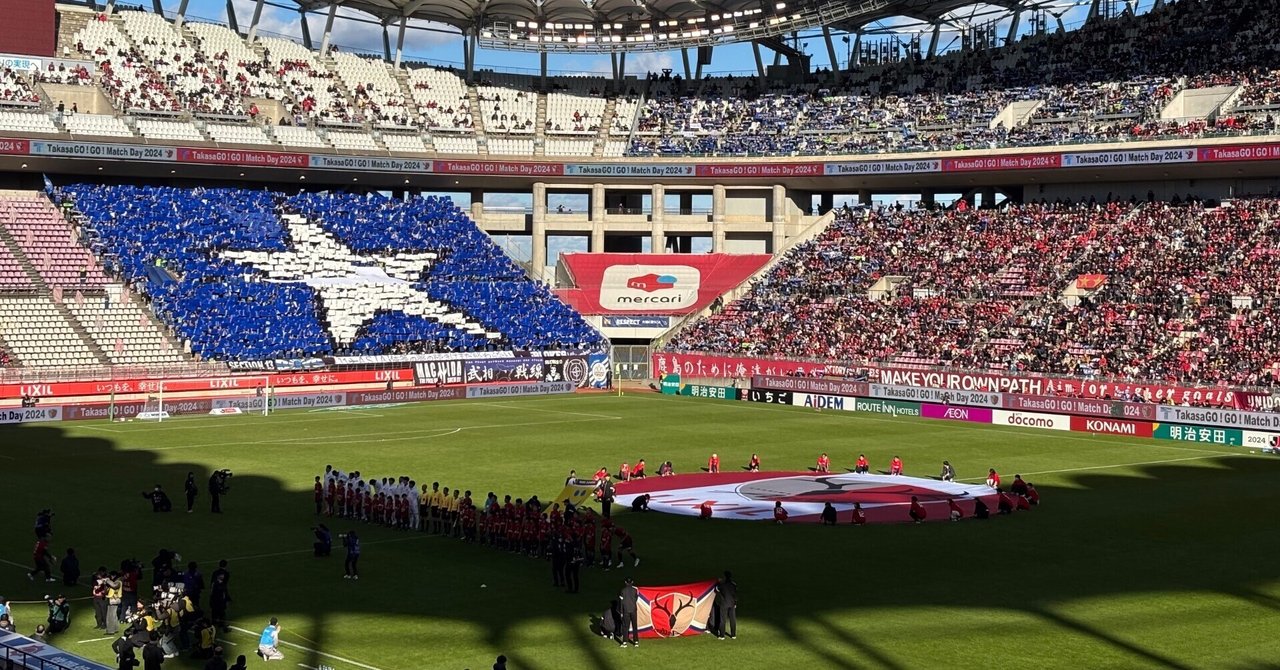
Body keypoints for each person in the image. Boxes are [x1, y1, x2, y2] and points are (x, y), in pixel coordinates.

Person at [716, 571, 738, 640]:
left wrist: (719, 582)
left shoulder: (722, 585)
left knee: (723, 620)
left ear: (724, 576)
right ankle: (733, 635)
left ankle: (722, 636)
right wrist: (735, 603)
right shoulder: (733, 584)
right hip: (732, 604)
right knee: (733, 619)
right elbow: (735, 594)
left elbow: (716, 589)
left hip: (724, 604)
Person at [619, 579, 639, 647]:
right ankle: (636, 641)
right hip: (633, 610)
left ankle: (624, 642)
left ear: (625, 582)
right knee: (634, 626)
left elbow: (621, 602)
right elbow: (636, 598)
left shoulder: (623, 590)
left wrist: (621, 612)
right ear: (632, 582)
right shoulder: (635, 590)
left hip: (626, 611)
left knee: (625, 627)